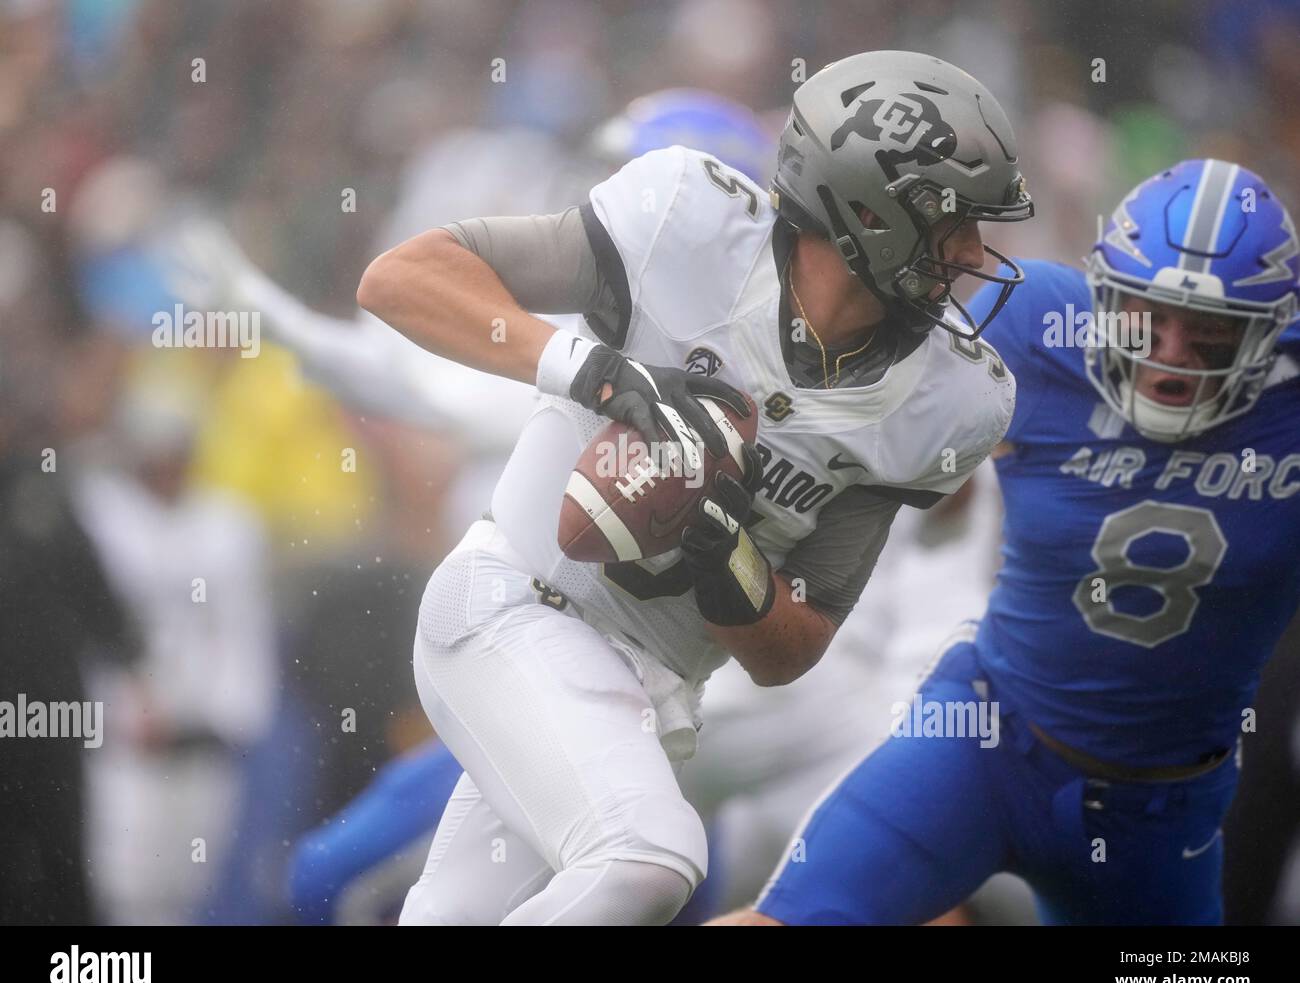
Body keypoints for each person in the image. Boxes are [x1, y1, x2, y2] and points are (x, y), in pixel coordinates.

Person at [358, 49, 1033, 926]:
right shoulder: (689, 220)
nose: (975, 253)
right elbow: (402, 279)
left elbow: (791, 648)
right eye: (954, 223)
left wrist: (727, 558)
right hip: (513, 606)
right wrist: (593, 369)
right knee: (649, 857)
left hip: (654, 691)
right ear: (872, 211)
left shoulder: (947, 399)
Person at [723, 158, 1300, 925]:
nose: (1168, 352)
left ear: (1269, 334)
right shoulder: (1035, 325)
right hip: (986, 740)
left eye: (1209, 333)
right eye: (1143, 317)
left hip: (1159, 812)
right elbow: (872, 412)